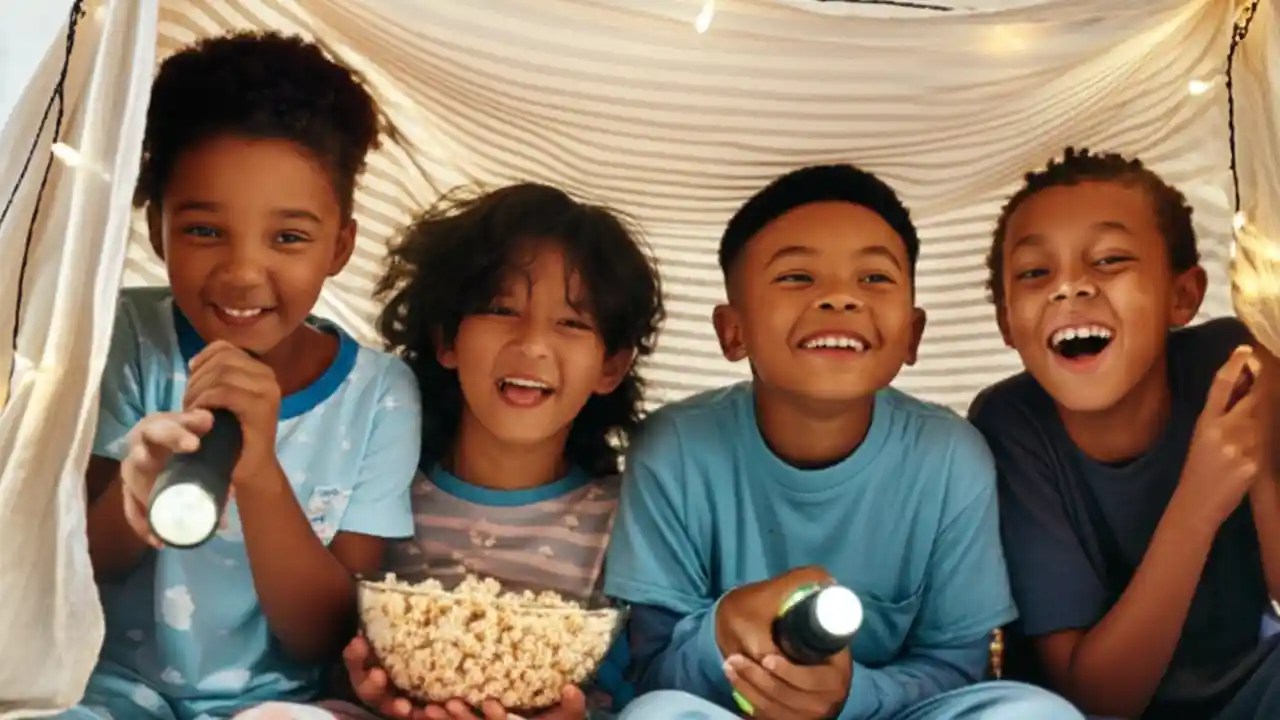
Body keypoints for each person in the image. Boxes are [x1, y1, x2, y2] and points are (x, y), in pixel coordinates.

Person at [604, 164, 1083, 720]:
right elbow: (651, 670)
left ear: (913, 333)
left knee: (1032, 712)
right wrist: (724, 632)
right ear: (732, 330)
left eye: (875, 279)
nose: (839, 298)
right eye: (797, 277)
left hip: (888, 715)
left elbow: (956, 666)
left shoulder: (951, 457)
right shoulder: (675, 448)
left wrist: (849, 695)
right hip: (726, 712)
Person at [67, 31, 422, 719]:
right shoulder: (124, 339)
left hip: (279, 702)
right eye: (204, 231)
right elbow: (78, 569)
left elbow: (326, 633)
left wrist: (259, 475)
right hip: (104, 683)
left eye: (288, 238)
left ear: (340, 246)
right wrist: (132, 493)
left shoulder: (379, 395)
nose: (242, 273)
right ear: (157, 227)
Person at [242, 183, 665, 720]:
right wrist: (367, 688)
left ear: (611, 366)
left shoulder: (625, 515)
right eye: (501, 309)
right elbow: (333, 641)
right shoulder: (380, 485)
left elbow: (633, 684)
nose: (532, 343)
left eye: (571, 322)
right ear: (446, 339)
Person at [968, 147, 1280, 719]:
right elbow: (1099, 699)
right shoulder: (1010, 425)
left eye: (1109, 260)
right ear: (1006, 322)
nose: (1069, 287)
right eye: (1036, 272)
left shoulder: (1234, 360)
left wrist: (1257, 464)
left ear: (1182, 296)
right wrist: (1202, 497)